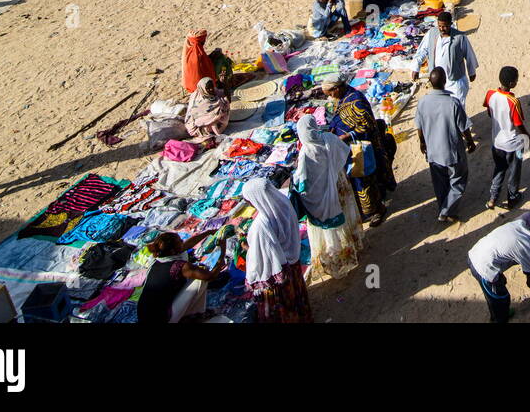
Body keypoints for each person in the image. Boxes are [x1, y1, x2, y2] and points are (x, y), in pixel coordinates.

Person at [293, 117, 363, 280]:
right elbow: (345, 153)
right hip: (339, 184)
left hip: (323, 193)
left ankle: (338, 259)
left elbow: (303, 181)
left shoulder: (306, 152)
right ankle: (353, 244)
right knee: (345, 215)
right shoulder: (329, 138)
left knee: (330, 231)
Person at [467, 208, 530, 322]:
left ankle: (499, 312)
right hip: (482, 266)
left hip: (480, 250)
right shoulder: (526, 248)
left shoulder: (522, 223)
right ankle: (499, 318)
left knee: (498, 289)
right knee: (500, 298)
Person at [242, 179, 312, 322]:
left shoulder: (260, 226)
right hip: (292, 260)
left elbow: (263, 256)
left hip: (279, 272)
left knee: (284, 306)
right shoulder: (284, 204)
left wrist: (248, 248)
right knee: (296, 297)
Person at [325, 81, 393, 227]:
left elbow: (367, 124)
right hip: (349, 150)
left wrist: (347, 136)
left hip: (361, 147)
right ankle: (365, 210)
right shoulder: (343, 99)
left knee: (366, 181)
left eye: (331, 93)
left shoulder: (356, 100)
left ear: (336, 88)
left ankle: (377, 210)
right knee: (357, 181)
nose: (331, 97)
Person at [414, 67, 476, 223]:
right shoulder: (452, 103)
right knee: (459, 180)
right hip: (452, 151)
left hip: (433, 152)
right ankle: (447, 210)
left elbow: (419, 127)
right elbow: (464, 128)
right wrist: (470, 142)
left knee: (440, 182)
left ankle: (444, 206)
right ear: (445, 82)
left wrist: (422, 143)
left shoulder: (423, 102)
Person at [137, 230, 227, 324]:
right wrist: (222, 252)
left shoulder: (157, 259)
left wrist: (208, 233)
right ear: (173, 250)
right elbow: (210, 276)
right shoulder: (180, 266)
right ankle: (195, 315)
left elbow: (187, 245)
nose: (182, 242)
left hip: (143, 313)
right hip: (161, 318)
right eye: (180, 241)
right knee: (200, 279)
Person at [485, 66, 529, 210]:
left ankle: (493, 197)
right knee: (514, 171)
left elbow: (490, 113)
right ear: (511, 84)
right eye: (516, 79)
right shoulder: (513, 102)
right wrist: (527, 135)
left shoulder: (490, 94)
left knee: (499, 168)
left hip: (497, 142)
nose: (517, 81)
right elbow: (518, 124)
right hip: (513, 144)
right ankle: (512, 196)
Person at [413, 10, 479, 104]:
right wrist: (416, 67)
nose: (442, 29)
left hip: (454, 81)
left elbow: (469, 54)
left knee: (458, 106)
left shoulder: (460, 37)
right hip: (438, 82)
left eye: (445, 26)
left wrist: (471, 72)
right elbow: (422, 50)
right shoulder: (432, 33)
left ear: (450, 24)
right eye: (439, 26)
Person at [182, 30, 218, 94]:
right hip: (202, 87)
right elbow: (206, 67)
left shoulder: (187, 53)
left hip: (189, 85)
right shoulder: (198, 53)